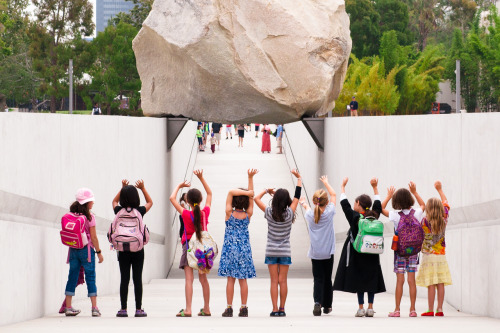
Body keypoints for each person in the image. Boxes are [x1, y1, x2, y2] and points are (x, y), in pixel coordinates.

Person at [332, 178, 386, 317]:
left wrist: (343, 187)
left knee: (360, 281)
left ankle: (361, 308)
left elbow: (344, 204)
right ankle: (370, 308)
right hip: (373, 253)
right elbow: (378, 205)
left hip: (358, 253)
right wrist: (375, 188)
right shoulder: (374, 215)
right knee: (371, 279)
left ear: (358, 203)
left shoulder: (355, 217)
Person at [254, 169, 302, 317]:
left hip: (271, 250)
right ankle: (282, 309)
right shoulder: (289, 214)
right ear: (286, 200)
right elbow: (297, 197)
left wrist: (266, 190)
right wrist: (299, 178)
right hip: (285, 250)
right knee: (283, 281)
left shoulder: (269, 212)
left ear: (274, 201)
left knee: (274, 281)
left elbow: (256, 198)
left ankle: (274, 309)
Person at [170, 170, 212, 317]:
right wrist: (201, 178)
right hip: (202, 249)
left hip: (188, 248)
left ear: (187, 201)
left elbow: (172, 198)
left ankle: (188, 309)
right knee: (203, 279)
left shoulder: (186, 214)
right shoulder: (205, 212)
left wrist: (180, 185)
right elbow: (210, 193)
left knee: (189, 279)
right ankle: (206, 308)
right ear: (200, 200)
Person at [381, 182, 426, 318]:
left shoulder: (395, 215)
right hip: (413, 252)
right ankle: (412, 310)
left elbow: (381, 208)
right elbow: (423, 205)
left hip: (400, 252)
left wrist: (388, 196)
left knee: (399, 281)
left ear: (397, 201)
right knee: (411, 281)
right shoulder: (417, 213)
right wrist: (415, 191)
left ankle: (397, 309)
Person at [218, 169, 258, 317]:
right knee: (243, 279)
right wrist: (250, 178)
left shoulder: (229, 213)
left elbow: (230, 192)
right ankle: (244, 307)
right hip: (244, 250)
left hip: (230, 250)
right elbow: (252, 195)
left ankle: (229, 308)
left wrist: (246, 192)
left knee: (230, 279)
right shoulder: (248, 214)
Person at [112, 179, 153, 317]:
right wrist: (143, 188)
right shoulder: (139, 211)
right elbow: (150, 202)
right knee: (137, 279)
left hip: (122, 249)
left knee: (124, 278)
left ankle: (123, 309)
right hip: (138, 250)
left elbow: (114, 201)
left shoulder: (118, 210)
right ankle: (138, 309)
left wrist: (122, 187)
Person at [63, 188, 104, 317]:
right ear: (87, 202)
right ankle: (94, 308)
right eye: (91, 201)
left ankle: (68, 307)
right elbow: (94, 237)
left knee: (72, 277)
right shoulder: (89, 217)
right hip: (86, 251)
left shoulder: (71, 215)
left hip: (73, 250)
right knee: (90, 277)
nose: (93, 203)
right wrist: (99, 252)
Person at [299, 176, 336, 316]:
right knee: (327, 279)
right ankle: (327, 306)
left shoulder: (310, 214)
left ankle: (317, 303)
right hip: (328, 252)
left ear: (315, 202)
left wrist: (303, 203)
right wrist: (326, 182)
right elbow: (333, 194)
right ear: (326, 202)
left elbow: (310, 209)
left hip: (315, 254)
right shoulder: (330, 212)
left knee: (318, 279)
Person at [416, 181, 452, 317]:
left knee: (431, 283)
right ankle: (440, 309)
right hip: (441, 255)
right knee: (440, 282)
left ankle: (430, 309)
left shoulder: (424, 221)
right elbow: (446, 202)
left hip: (428, 255)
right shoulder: (444, 218)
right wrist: (440, 190)